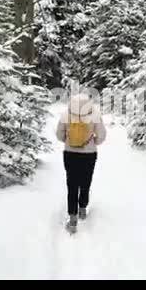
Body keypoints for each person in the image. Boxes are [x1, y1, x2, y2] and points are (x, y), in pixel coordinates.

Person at [56, 93, 106, 234]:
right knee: (86, 181)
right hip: (89, 154)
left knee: (72, 184)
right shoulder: (94, 113)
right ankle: (82, 209)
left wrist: (68, 141)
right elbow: (101, 135)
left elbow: (59, 134)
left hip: (70, 154)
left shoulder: (66, 114)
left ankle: (72, 218)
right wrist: (93, 142)